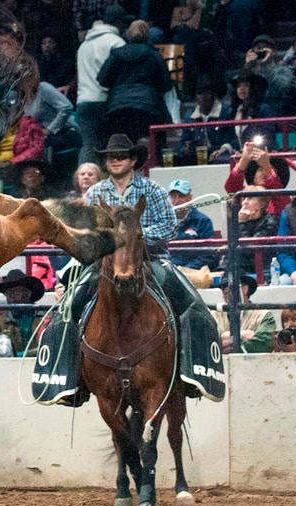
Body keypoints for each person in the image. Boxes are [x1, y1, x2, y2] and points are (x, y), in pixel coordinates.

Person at [57, 133, 224, 405]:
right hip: (106, 262)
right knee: (69, 307)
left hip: (151, 259)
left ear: (133, 160)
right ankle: (71, 380)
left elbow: (169, 224)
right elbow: (84, 229)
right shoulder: (95, 193)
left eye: (121, 156)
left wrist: (135, 235)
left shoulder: (152, 190)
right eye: (111, 157)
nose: (115, 161)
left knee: (193, 304)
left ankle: (191, 371)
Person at [96, 19, 172, 145]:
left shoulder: (116, 54)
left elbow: (102, 79)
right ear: (148, 35)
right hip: (148, 106)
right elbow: (166, 84)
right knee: (150, 144)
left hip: (118, 107)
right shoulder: (153, 55)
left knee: (122, 145)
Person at [75, 4, 125, 164]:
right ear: (118, 22)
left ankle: (83, 184)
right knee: (110, 145)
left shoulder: (84, 45)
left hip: (83, 101)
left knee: (88, 146)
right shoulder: (116, 43)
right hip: (105, 101)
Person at [212, 270, 275, 354]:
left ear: (245, 289)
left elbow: (264, 343)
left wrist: (232, 347)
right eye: (223, 289)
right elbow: (208, 342)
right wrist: (244, 335)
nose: (224, 292)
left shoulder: (263, 315)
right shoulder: (214, 314)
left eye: (228, 288)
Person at [174, 77, 232, 166]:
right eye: (199, 93)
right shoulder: (189, 117)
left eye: (207, 93)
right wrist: (185, 149)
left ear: (214, 95)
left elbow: (231, 141)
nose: (203, 97)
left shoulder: (226, 113)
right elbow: (182, 143)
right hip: (196, 157)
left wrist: (223, 149)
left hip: (220, 157)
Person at [167, 179, 218, 271]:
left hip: (192, 272)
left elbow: (208, 255)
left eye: (181, 196)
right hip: (167, 272)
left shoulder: (203, 221)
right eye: (173, 196)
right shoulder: (163, 222)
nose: (177, 201)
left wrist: (185, 270)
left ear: (190, 198)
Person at [0, 269, 46, 356]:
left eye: (13, 293)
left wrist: (19, 355)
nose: (10, 298)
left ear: (27, 294)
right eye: (7, 293)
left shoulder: (45, 318)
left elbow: (48, 347)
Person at [233, 186, 278, 276]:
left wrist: (241, 223)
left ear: (262, 203)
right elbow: (232, 247)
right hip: (242, 268)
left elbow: (251, 248)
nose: (244, 202)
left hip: (264, 270)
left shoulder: (270, 221)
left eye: (250, 198)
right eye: (244, 198)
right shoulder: (240, 219)